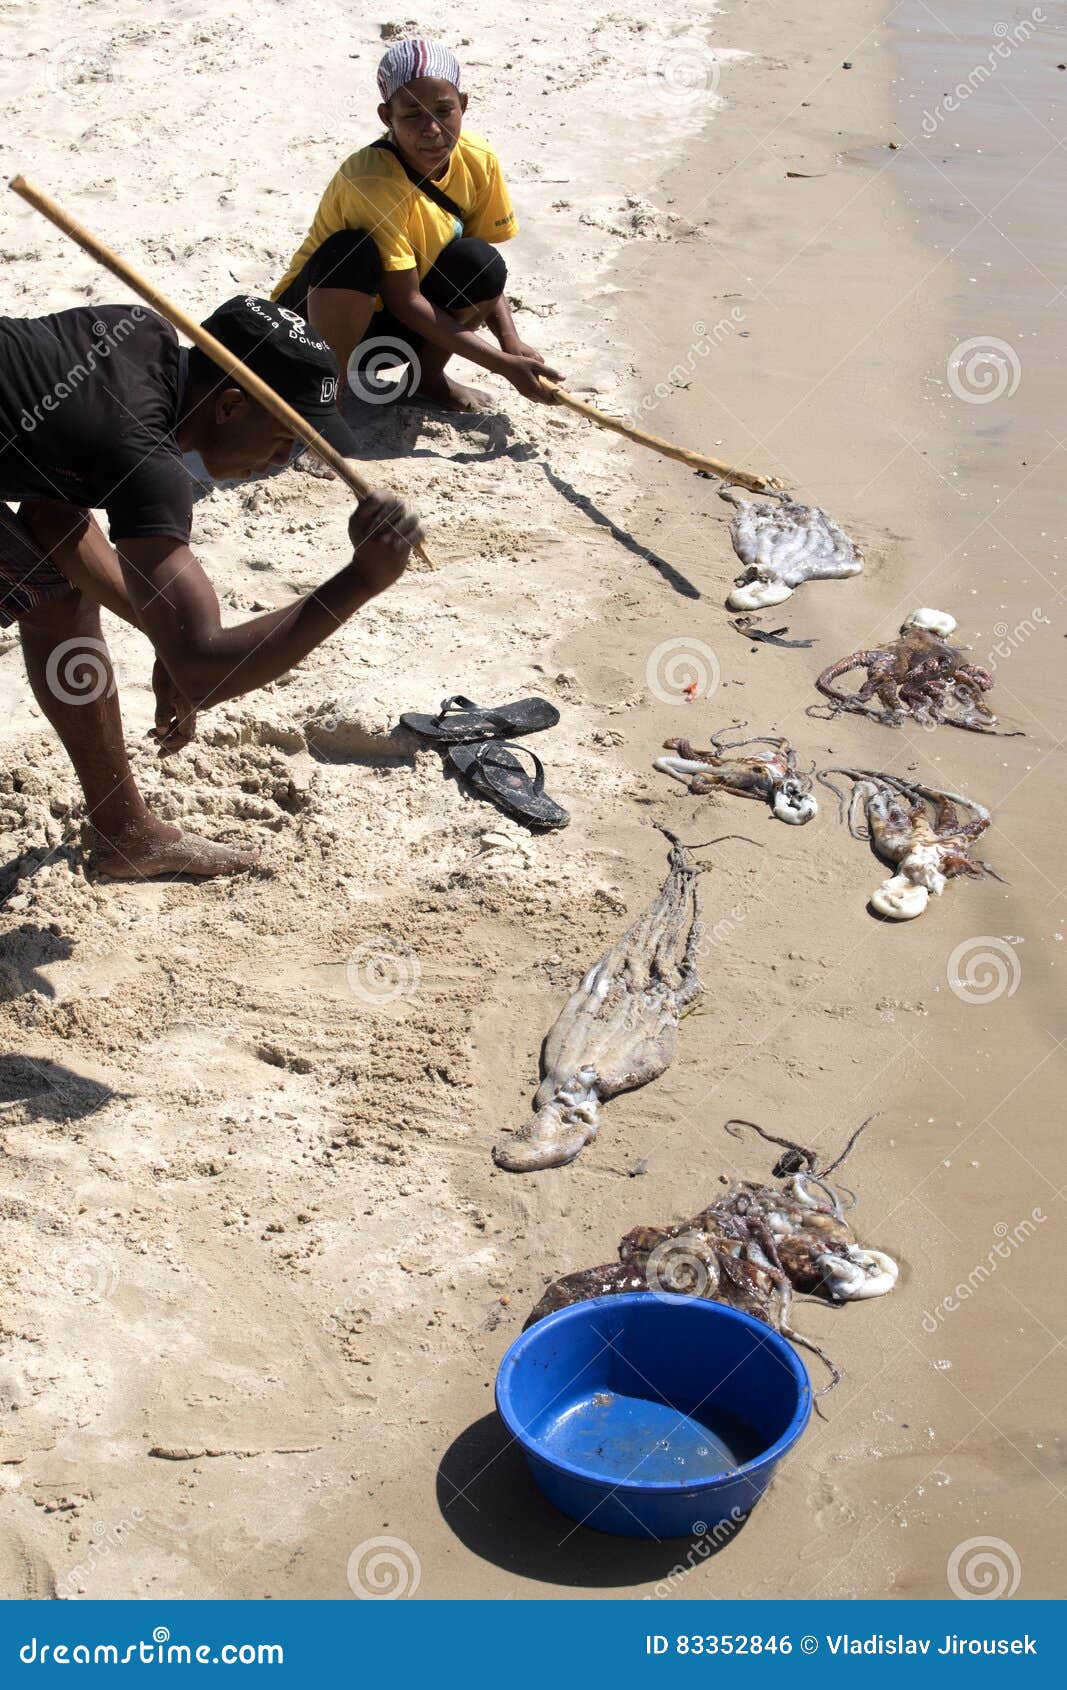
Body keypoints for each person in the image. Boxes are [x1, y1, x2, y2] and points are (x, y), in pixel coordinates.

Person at [0, 295, 422, 881]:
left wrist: (163, 633)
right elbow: (205, 670)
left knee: (52, 593)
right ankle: (125, 833)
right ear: (229, 406)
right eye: (284, 439)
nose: (283, 460)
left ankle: (124, 833)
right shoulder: (147, 463)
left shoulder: (135, 336)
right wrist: (361, 579)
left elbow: (52, 517)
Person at [273, 37, 562, 413]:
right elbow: (404, 300)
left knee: (481, 261)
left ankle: (427, 378)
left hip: (390, 340)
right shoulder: (371, 181)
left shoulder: (479, 159)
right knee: (351, 253)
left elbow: (484, 278)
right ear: (385, 117)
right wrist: (502, 366)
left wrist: (510, 341)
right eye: (412, 114)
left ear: (464, 105)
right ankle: (329, 399)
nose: (431, 128)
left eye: (444, 110)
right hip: (310, 327)